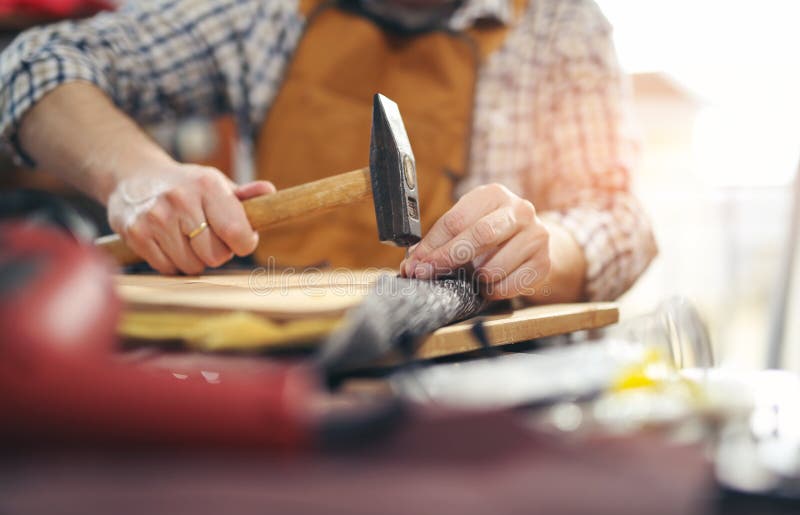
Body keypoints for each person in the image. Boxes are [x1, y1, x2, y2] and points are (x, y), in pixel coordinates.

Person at [0, 0, 656, 303]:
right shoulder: (266, 13)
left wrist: (546, 253)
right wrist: (135, 176)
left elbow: (619, 217)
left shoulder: (561, 24)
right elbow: (31, 61)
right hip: (277, 363)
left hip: (475, 380)